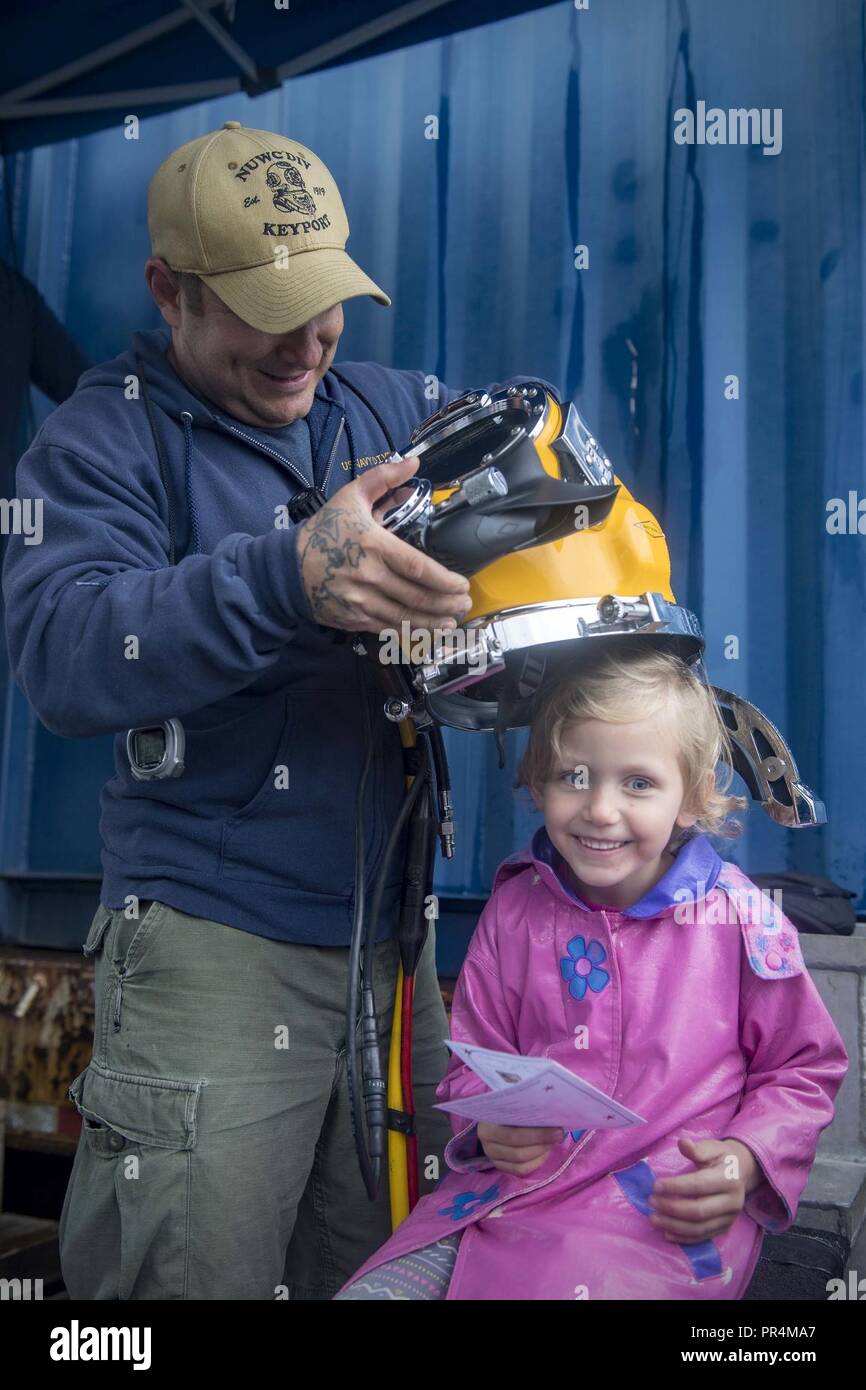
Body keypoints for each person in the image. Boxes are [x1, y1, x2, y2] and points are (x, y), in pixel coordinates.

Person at [1, 120, 534, 1300]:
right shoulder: (102, 440)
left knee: (392, 1278)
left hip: (396, 955)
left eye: (326, 299)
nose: (307, 343)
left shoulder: (385, 409)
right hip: (214, 951)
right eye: (262, 304)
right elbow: (63, 654)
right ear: (168, 291)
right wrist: (287, 575)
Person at [335, 647, 848, 1300]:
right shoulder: (517, 906)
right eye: (575, 776)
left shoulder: (740, 918)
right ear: (540, 781)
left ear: (689, 799)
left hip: (656, 1209)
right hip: (504, 1194)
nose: (601, 809)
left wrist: (745, 1162)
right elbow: (477, 1058)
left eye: (638, 783)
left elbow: (801, 1069)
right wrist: (489, 1130)